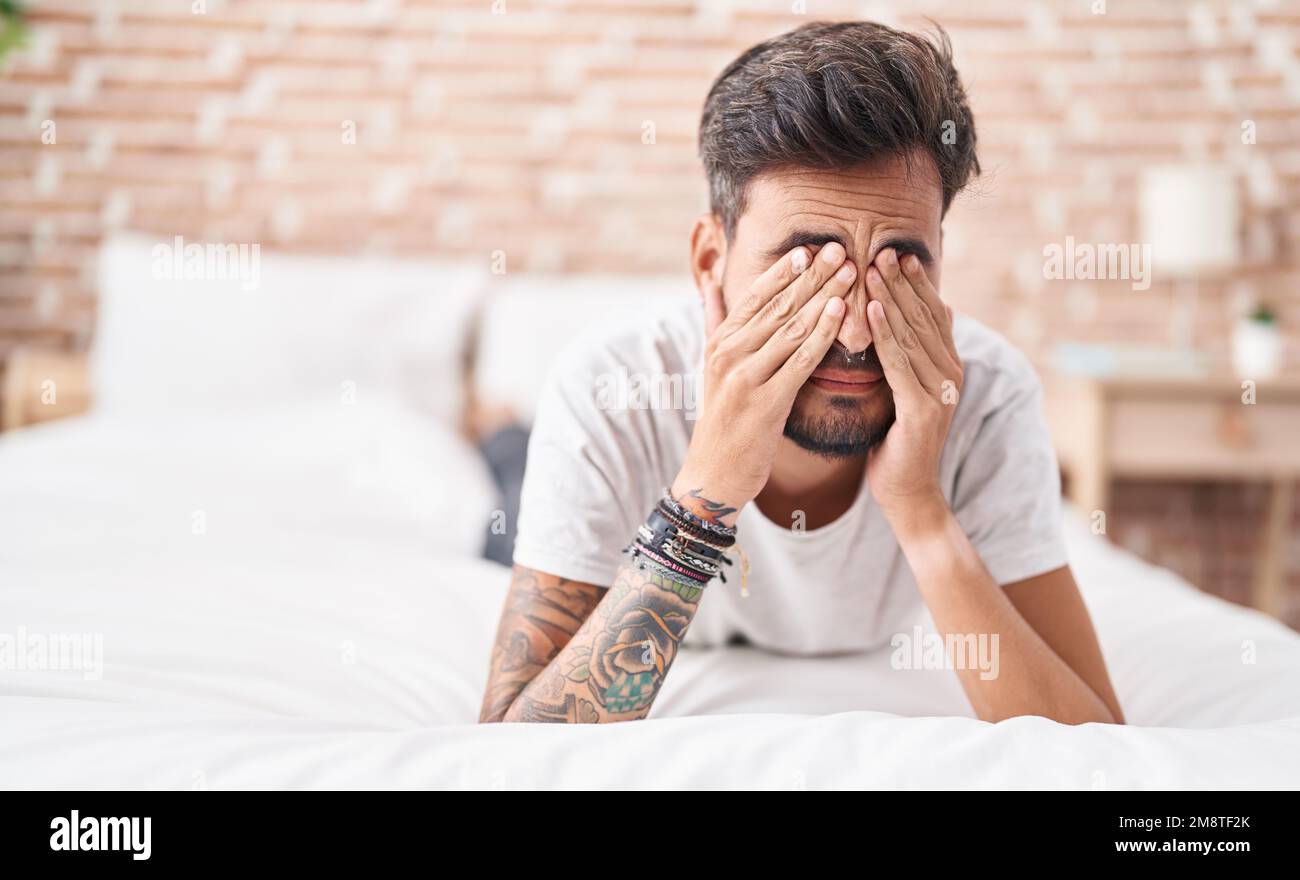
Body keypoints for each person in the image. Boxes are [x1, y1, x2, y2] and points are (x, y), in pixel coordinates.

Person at [478, 20, 1124, 726]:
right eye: (805, 272)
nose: (852, 331)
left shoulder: (989, 396)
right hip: (603, 479)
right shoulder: (610, 385)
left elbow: (1095, 739)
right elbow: (515, 743)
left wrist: (920, 507)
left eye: (899, 268)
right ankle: (492, 425)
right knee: (499, 498)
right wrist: (704, 495)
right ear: (709, 262)